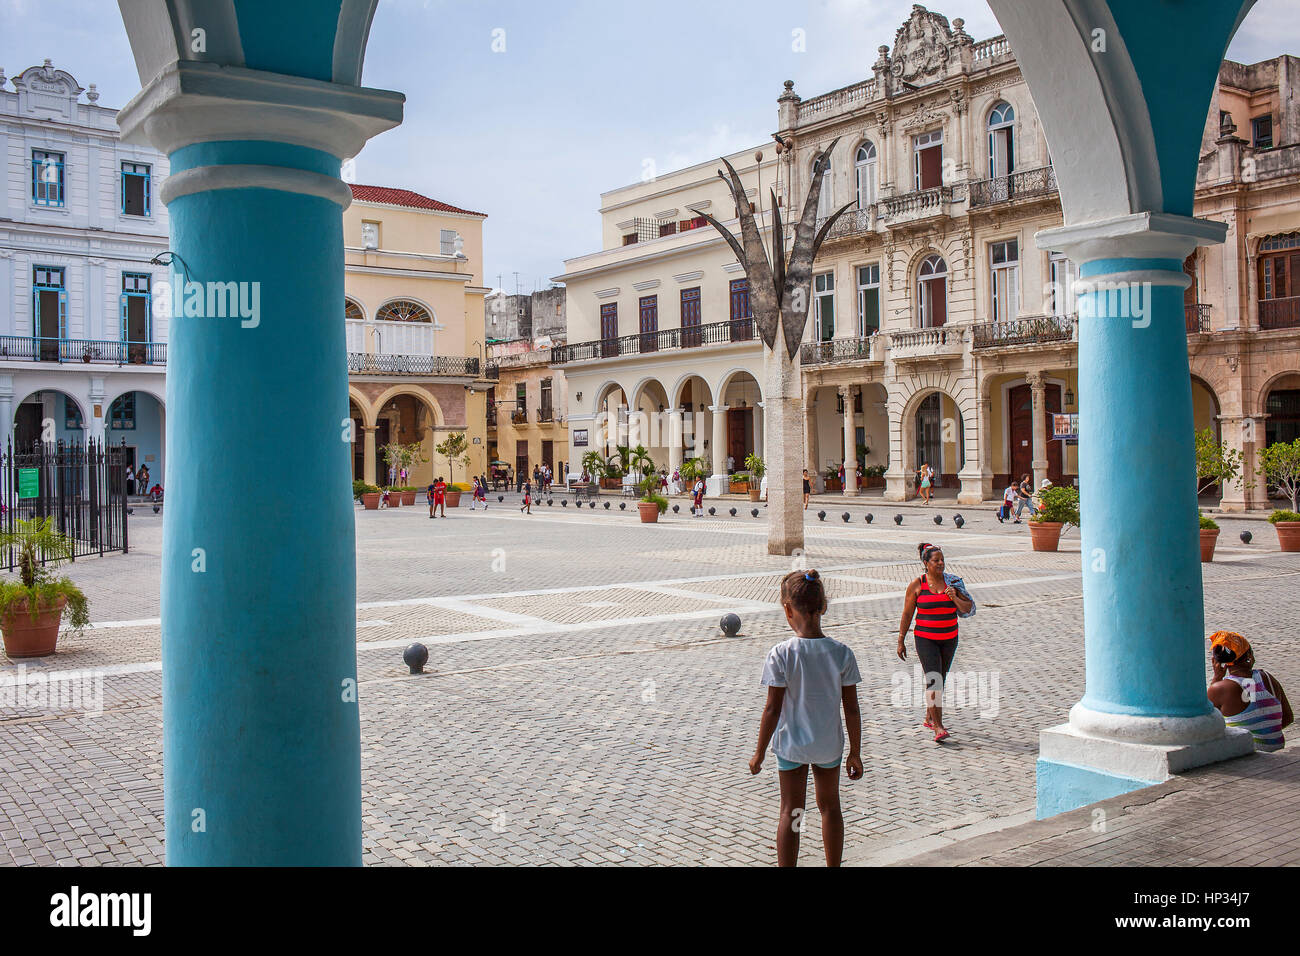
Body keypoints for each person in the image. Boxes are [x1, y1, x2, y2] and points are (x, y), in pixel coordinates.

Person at [750, 569, 863, 867]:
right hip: (828, 745)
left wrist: (759, 752)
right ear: (823, 606)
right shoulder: (842, 654)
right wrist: (855, 752)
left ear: (788, 609)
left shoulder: (781, 654)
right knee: (830, 808)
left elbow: (772, 709)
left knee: (791, 810)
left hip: (791, 746)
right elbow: (851, 709)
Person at [897, 543, 975, 743]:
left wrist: (954, 597)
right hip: (926, 639)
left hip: (949, 638)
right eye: (936, 560)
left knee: (941, 678)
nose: (940, 563)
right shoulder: (917, 584)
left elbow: (968, 608)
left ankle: (929, 715)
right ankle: (938, 726)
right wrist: (901, 640)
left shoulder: (953, 583)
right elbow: (907, 614)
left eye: (942, 560)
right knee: (934, 680)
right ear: (926, 563)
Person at [1207, 631, 1292, 752]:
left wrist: (1216, 678)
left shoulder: (1219, 688)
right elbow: (1288, 717)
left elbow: (1206, 724)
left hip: (1246, 753)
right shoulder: (1267, 677)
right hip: (1276, 747)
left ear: (1217, 662)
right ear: (1249, 656)